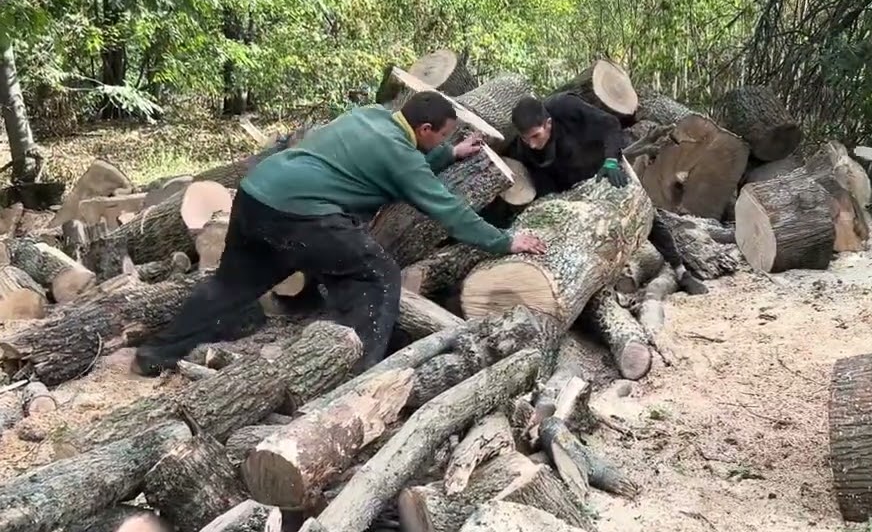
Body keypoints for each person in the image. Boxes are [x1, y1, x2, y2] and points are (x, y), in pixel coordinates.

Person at [132, 91, 546, 376]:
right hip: (299, 215)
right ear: (423, 129)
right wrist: (504, 241)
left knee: (230, 285)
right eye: (443, 135)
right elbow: (446, 208)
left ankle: (156, 354)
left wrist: (448, 154)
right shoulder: (401, 154)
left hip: (258, 194)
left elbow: (388, 163)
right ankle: (357, 371)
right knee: (377, 273)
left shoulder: (369, 116)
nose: (446, 140)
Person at [509, 93, 707, 295]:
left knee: (649, 217)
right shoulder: (524, 149)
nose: (532, 144)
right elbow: (545, 188)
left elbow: (610, 124)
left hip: (607, 167)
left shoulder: (566, 107)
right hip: (574, 187)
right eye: (526, 139)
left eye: (535, 136)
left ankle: (681, 272)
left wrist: (611, 160)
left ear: (548, 123)